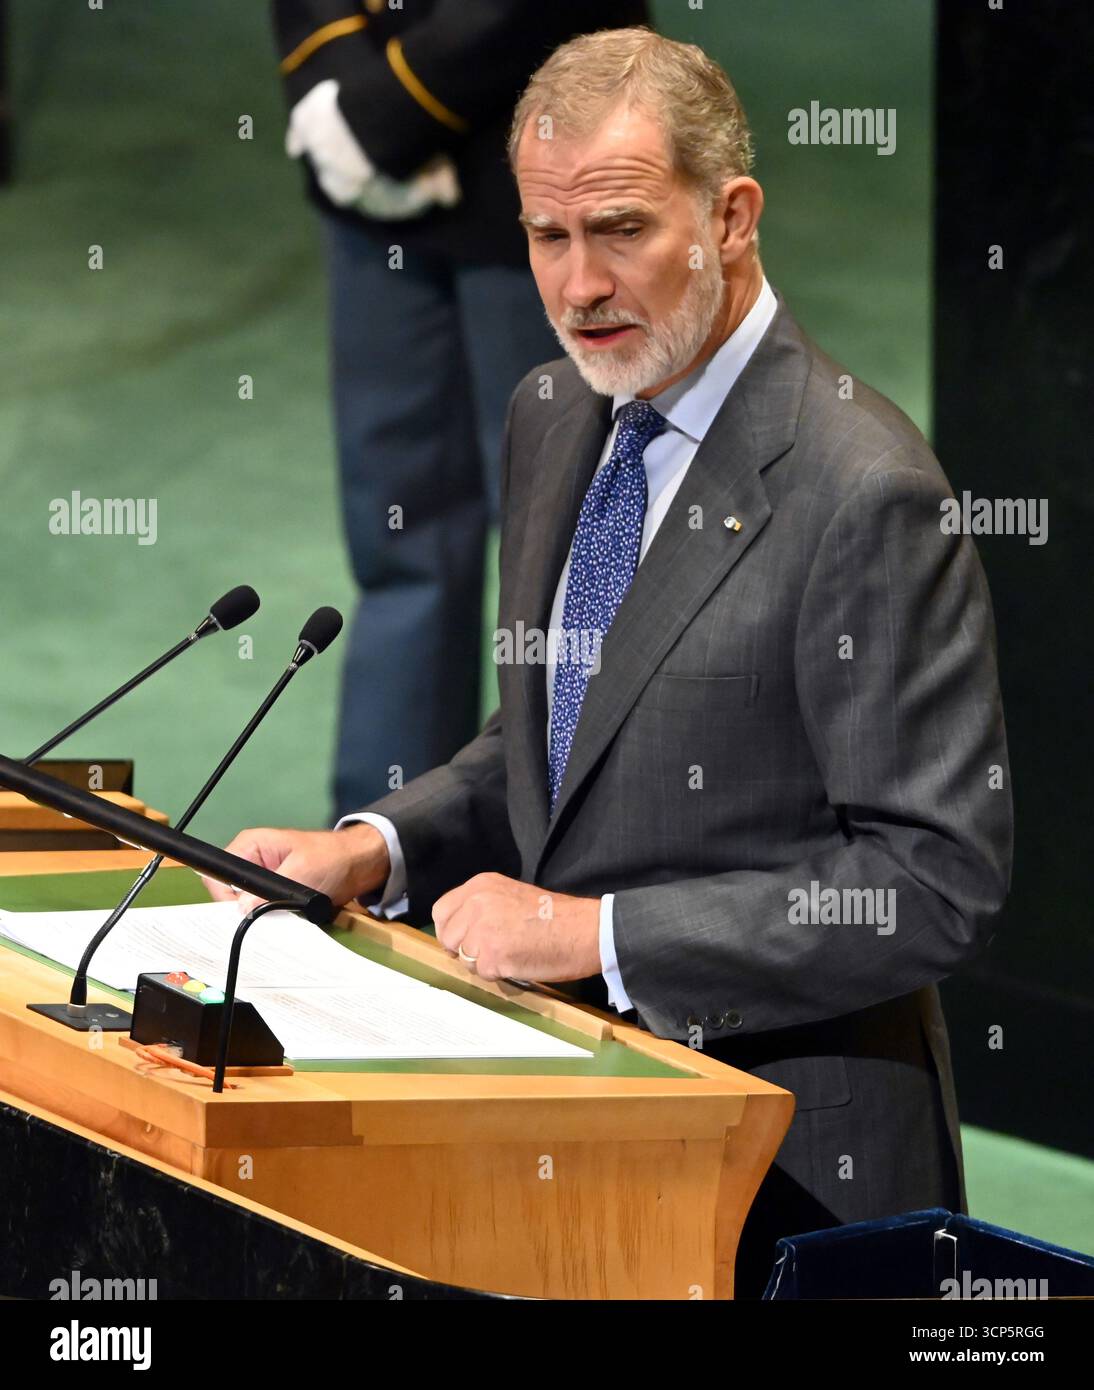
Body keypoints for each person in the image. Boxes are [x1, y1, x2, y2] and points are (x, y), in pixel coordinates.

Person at [222, 28, 1013, 1297]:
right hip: (571, 1127)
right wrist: (374, 846)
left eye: (623, 231)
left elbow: (931, 882)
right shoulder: (555, 409)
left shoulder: (862, 490)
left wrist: (599, 932)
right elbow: (560, 735)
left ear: (733, 215)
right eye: (547, 238)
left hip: (778, 1166)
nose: (580, 285)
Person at [272, 0, 648, 816]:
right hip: (370, 189)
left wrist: (383, 112)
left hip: (548, 183)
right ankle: (383, 855)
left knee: (573, 552)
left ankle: (581, 861)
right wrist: (334, 75)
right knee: (401, 545)